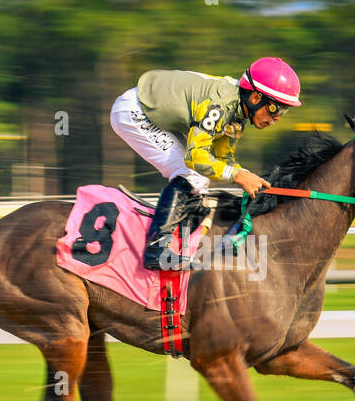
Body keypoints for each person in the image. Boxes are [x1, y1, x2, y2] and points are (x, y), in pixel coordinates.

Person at [108, 57, 302, 270]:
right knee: (190, 174)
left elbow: (222, 160)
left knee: (199, 180)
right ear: (256, 97)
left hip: (151, 111)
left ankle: (178, 239)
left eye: (284, 111)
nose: (277, 118)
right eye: (275, 109)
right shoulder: (221, 105)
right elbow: (196, 158)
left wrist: (245, 174)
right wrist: (238, 176)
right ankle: (156, 248)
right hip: (134, 112)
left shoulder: (237, 115)